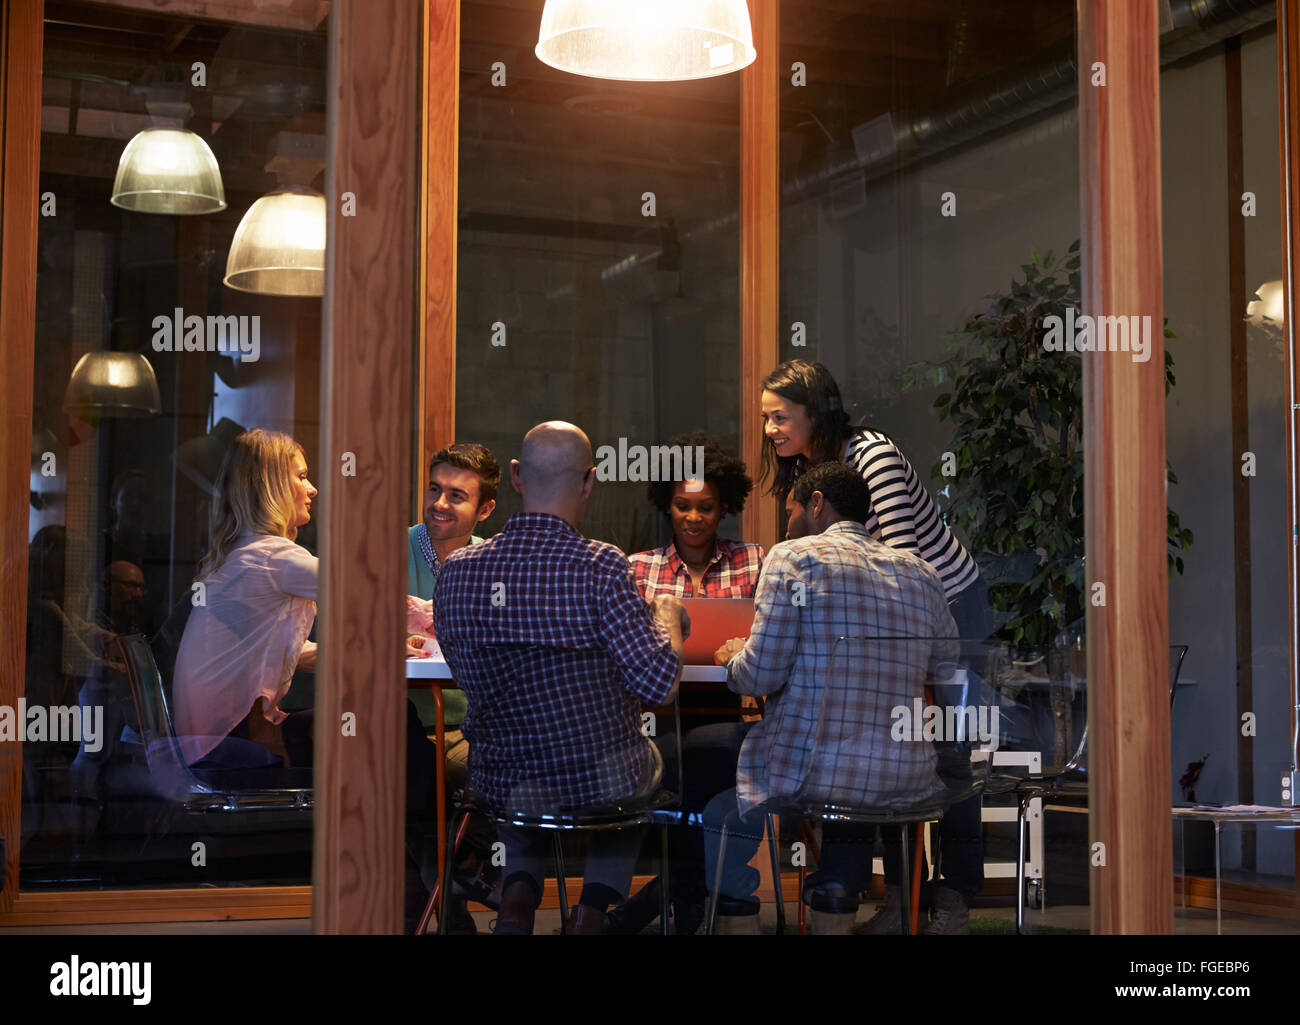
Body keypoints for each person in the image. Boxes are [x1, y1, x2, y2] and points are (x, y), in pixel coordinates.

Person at [757, 358, 991, 933]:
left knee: (947, 752)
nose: (770, 431)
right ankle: (899, 902)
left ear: (816, 412)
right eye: (765, 419)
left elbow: (899, 559)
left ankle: (954, 897)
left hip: (947, 606)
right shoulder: (812, 469)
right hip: (892, 615)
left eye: (780, 417)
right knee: (891, 744)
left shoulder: (871, 454)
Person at [433, 421, 688, 935]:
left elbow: (464, 672)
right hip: (598, 776)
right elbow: (660, 684)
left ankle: (517, 906)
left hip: (499, 775)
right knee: (647, 766)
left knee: (528, 773)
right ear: (589, 481)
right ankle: (593, 916)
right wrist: (667, 616)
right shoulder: (600, 566)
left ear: (517, 475)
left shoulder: (457, 571)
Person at [705, 462, 960, 933]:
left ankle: (733, 913)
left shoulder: (793, 558)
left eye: (790, 511)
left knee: (700, 759)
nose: (786, 525)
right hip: (906, 776)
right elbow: (947, 669)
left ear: (816, 503)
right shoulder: (921, 574)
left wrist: (732, 659)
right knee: (851, 785)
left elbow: (759, 676)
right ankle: (833, 907)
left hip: (812, 769)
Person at [611, 433, 763, 934]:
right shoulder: (638, 568)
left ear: (724, 510)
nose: (693, 518)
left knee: (700, 758)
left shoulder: (754, 562)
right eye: (682, 506)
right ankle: (691, 891)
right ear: (666, 506)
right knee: (678, 755)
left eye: (706, 508)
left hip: (729, 707)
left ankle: (673, 892)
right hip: (657, 709)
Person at [405, 442, 500, 932]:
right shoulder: (391, 550)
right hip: (412, 726)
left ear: (484, 509)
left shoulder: (497, 562)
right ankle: (464, 880)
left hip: (479, 724)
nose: (439, 502)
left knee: (508, 759)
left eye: (456, 496)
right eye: (434, 489)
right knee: (417, 777)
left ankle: (458, 882)